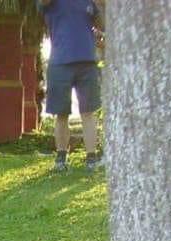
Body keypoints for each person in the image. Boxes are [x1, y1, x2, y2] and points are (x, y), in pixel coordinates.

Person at [37, 0, 104, 173]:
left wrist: (100, 5)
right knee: (61, 114)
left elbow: (102, 24)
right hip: (60, 63)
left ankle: (91, 158)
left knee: (88, 113)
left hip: (87, 62)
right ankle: (61, 159)